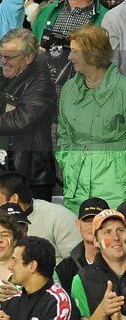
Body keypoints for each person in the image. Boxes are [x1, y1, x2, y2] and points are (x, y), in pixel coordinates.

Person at [0, 28, 57, 194]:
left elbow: (21, 120)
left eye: (9, 57)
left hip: (30, 177)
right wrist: (2, 107)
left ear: (28, 58)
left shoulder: (42, 82)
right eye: (1, 55)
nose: (3, 62)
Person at [57, 24, 126, 212]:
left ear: (93, 54)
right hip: (76, 183)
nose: (69, 57)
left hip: (115, 185)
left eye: (74, 52)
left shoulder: (122, 90)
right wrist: (67, 161)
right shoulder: (69, 89)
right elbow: (63, 133)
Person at [0, 236, 81, 320]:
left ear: (32, 266)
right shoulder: (11, 300)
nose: (10, 267)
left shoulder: (59, 302)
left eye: (14, 260)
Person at [71, 207, 126, 320]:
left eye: (121, 230)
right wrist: (103, 310)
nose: (115, 237)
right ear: (96, 241)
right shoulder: (82, 279)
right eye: (107, 232)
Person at [56, 197, 110, 292]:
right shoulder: (66, 267)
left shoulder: (120, 261)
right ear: (78, 224)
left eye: (98, 221)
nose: (93, 225)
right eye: (87, 220)